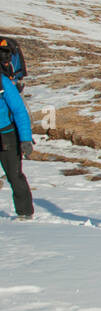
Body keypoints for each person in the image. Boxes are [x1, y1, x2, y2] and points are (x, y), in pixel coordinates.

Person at [0, 71, 33, 219]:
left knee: (14, 175)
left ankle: (24, 212)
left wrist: (25, 138)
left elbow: (19, 110)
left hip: (6, 135)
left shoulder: (3, 82)